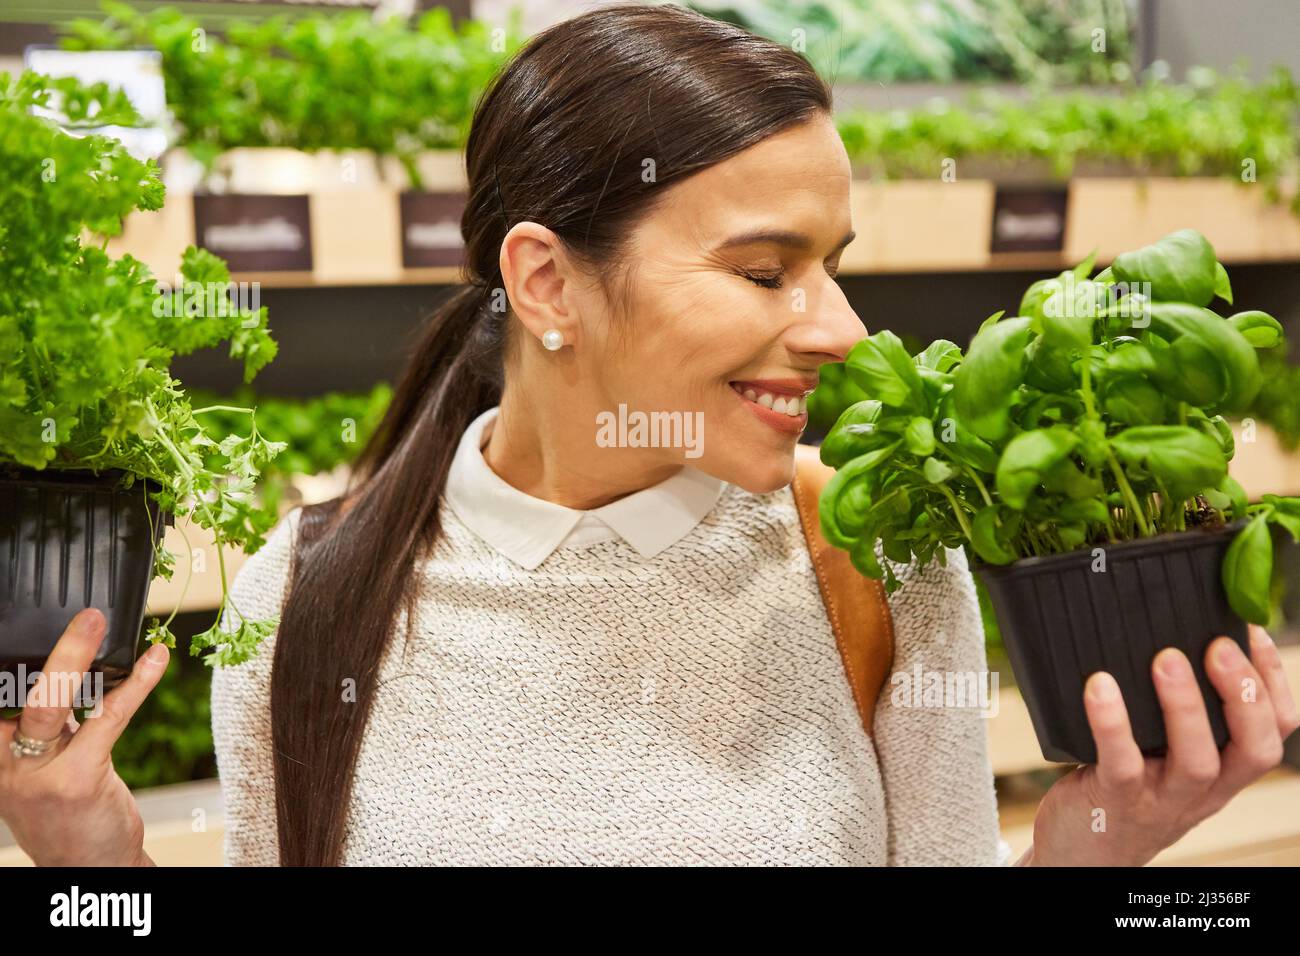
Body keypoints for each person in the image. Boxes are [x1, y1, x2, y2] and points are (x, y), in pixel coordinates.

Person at [1, 3, 1296, 867]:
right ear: (548, 283)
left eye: (832, 264)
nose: (839, 328)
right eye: (764, 269)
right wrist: (91, 863)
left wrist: (1091, 854)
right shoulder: (305, 589)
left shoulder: (877, 566)